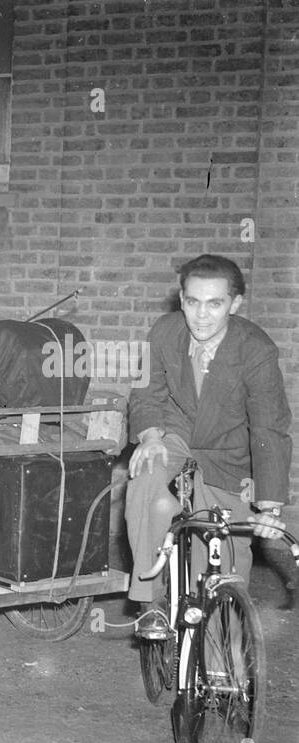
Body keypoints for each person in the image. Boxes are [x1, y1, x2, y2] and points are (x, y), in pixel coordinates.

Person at [127, 253, 292, 637]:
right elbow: (147, 392)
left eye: (214, 303)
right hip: (178, 434)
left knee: (223, 566)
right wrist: (150, 437)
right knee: (147, 477)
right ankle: (150, 603)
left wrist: (269, 504)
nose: (201, 315)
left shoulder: (255, 349)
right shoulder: (165, 332)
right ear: (181, 299)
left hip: (229, 453)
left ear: (234, 304)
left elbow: (269, 427)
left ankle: (220, 662)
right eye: (193, 302)